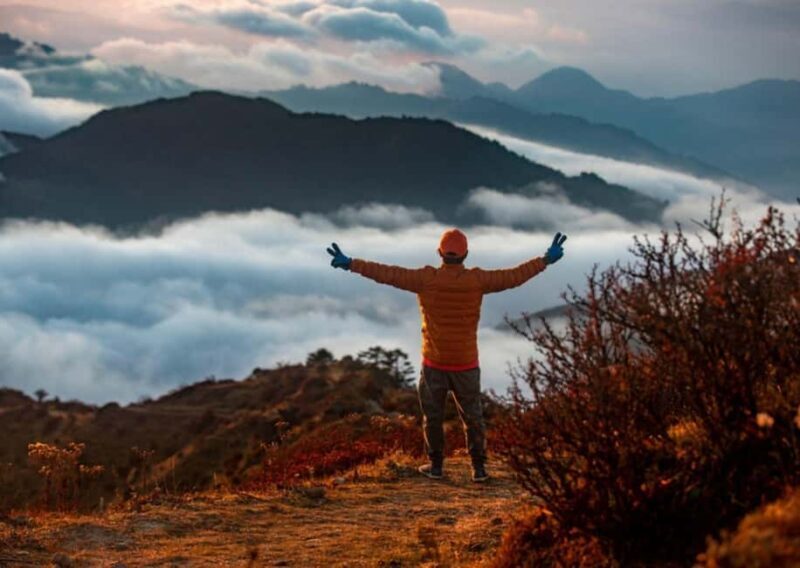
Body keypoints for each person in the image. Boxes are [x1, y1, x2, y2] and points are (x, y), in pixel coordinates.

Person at [327, 229, 567, 482]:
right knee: (473, 418)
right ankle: (479, 469)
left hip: (434, 363)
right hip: (466, 363)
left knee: (433, 417)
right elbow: (514, 276)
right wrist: (545, 261)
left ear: (439, 253)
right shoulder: (477, 280)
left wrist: (351, 264)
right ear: (466, 255)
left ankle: (436, 467)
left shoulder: (425, 279)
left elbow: (387, 273)